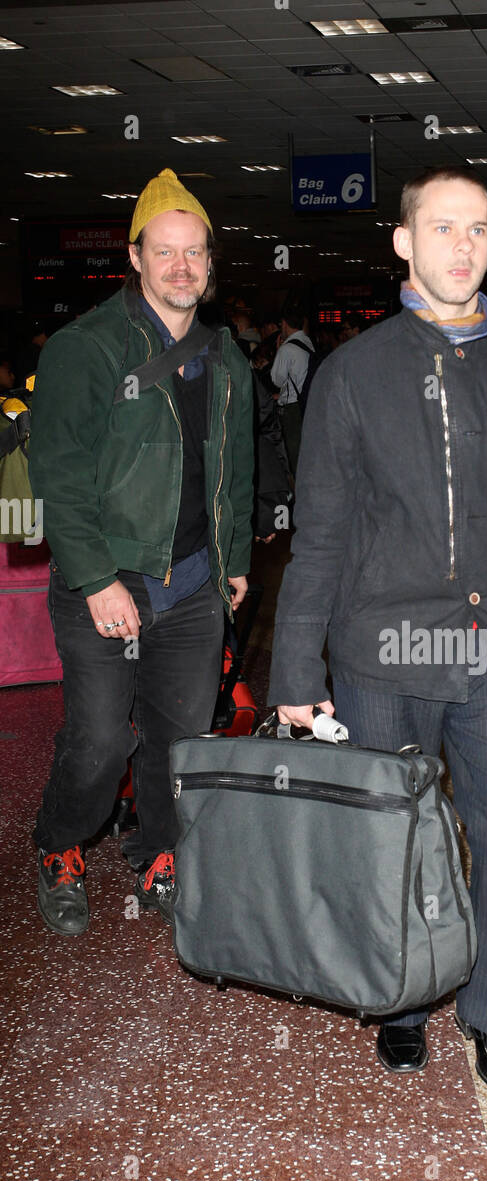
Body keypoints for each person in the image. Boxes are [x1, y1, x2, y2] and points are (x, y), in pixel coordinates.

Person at [268, 166, 487, 1098]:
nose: (463, 246)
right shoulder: (353, 373)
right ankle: (403, 1000)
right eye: (442, 227)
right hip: (385, 647)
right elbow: (320, 533)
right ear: (403, 242)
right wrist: (295, 667)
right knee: (396, 835)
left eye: (478, 228)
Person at [28, 167, 255, 936]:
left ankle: (159, 852)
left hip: (192, 585)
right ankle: (60, 842)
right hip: (107, 578)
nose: (181, 267)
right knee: (99, 738)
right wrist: (96, 580)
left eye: (195, 252)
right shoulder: (85, 348)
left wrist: (233, 558)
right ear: (134, 257)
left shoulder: (226, 356)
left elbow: (237, 465)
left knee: (180, 740)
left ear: (210, 261)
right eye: (165, 251)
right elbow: (59, 475)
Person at [270, 302, 315, 483]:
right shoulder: (308, 342)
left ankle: (297, 489)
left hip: (291, 409)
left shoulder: (287, 349)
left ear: (285, 324)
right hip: (306, 403)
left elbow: (277, 380)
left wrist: (278, 352)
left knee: (292, 452)